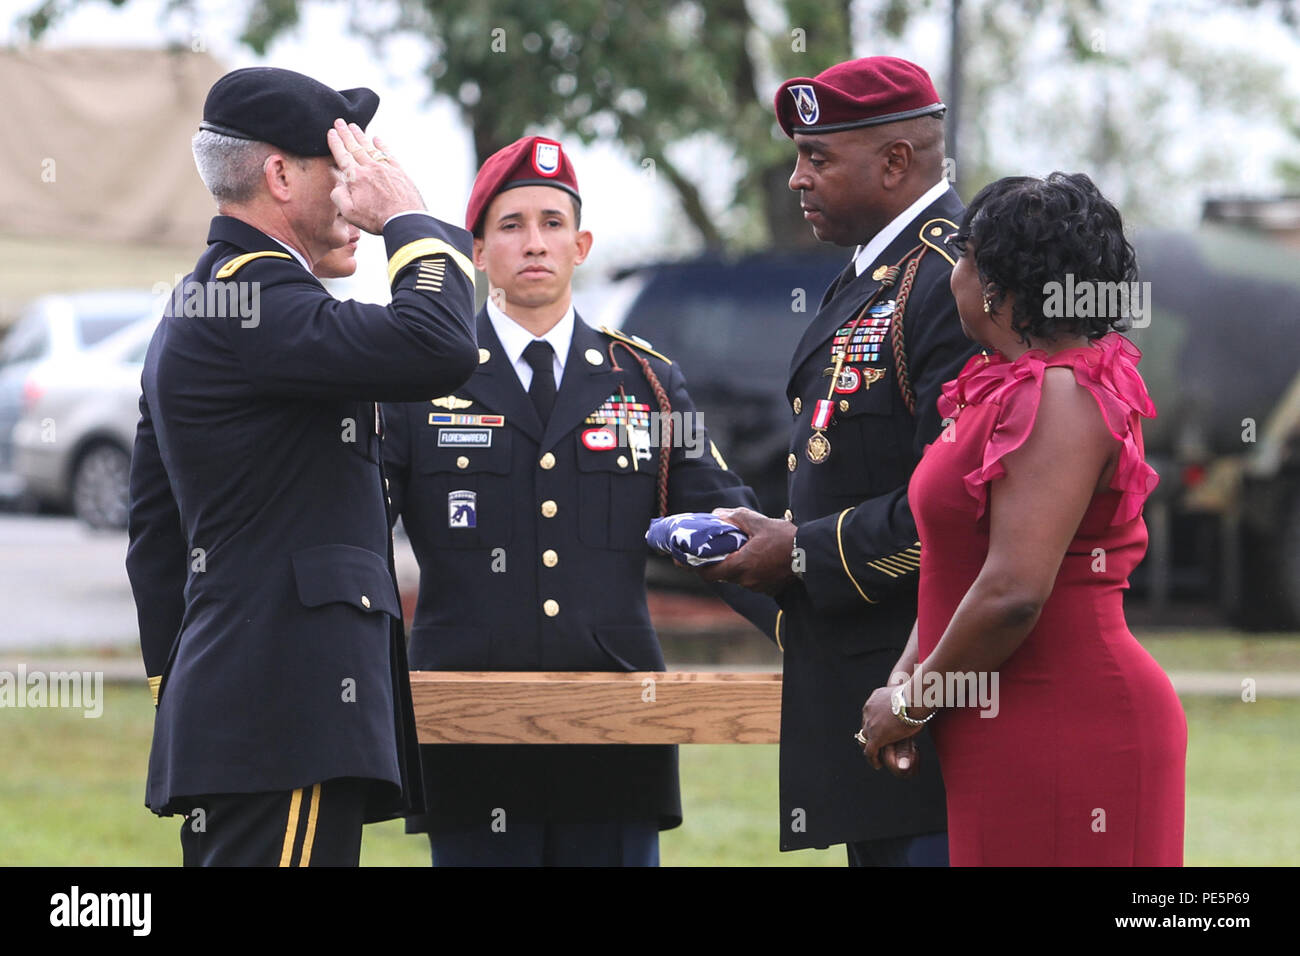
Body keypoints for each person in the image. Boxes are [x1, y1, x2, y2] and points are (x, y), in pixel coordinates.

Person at [382, 135, 779, 867]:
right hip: (469, 729)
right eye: (511, 225)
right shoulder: (417, 383)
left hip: (618, 733)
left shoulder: (648, 384)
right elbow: (360, 544)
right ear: (476, 249)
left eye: (552, 222)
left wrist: (815, 635)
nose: (534, 242)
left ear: (582, 243)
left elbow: (735, 536)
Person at [125, 66, 479, 866]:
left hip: (250, 721)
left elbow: (155, 539)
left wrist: (185, 696)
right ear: (280, 175)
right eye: (343, 168)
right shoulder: (256, 302)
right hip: (283, 719)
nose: (360, 188)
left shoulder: (211, 301)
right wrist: (410, 218)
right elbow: (440, 345)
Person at [697, 56, 979, 865]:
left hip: (925, 691)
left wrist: (802, 550)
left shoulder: (951, 278)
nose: (796, 179)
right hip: (864, 686)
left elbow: (959, 510)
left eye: (818, 158)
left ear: (896, 161)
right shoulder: (874, 272)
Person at [858, 173, 1187, 866]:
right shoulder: (1005, 386)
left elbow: (1012, 592)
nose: (954, 272)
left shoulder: (1062, 395)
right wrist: (907, 679)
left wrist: (914, 702)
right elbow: (961, 559)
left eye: (965, 255)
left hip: (1066, 716)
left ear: (996, 281)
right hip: (996, 712)